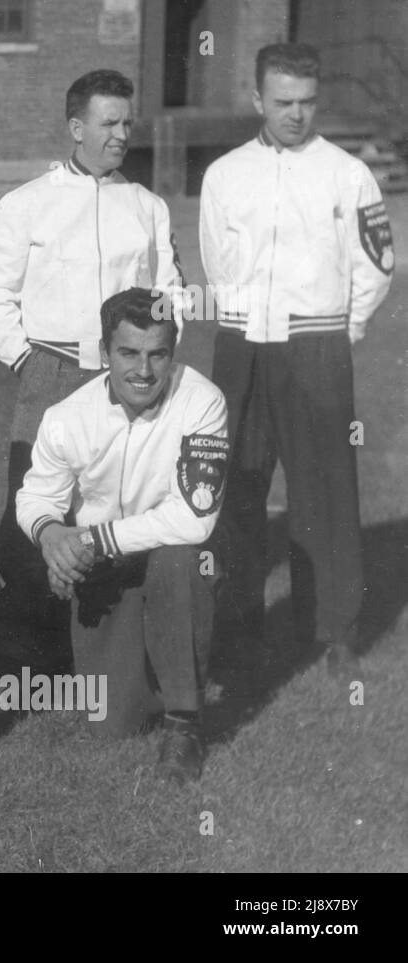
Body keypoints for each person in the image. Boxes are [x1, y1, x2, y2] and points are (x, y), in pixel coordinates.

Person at [200, 43, 394, 680]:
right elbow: (216, 263)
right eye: (283, 102)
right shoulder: (226, 173)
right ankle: (238, 624)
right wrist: (240, 320)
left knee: (326, 490)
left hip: (317, 347)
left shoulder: (347, 173)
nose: (296, 115)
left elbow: (376, 264)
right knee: (235, 486)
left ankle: (333, 629)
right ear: (258, 99)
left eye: (307, 103)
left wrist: (344, 329)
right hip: (240, 344)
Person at [0, 68, 184, 669]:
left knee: (118, 499)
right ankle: (27, 648)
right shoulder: (25, 205)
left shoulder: (147, 207)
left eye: (127, 123)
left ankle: (108, 644)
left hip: (125, 378)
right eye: (108, 123)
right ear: (76, 127)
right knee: (35, 503)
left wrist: (154, 359)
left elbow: (171, 296)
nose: (121, 134)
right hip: (51, 369)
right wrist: (30, 363)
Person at [17, 288, 228, 783]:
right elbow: (34, 498)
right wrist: (52, 537)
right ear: (104, 352)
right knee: (113, 723)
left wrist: (90, 539)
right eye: (128, 353)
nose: (144, 370)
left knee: (183, 556)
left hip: (168, 559)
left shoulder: (202, 401)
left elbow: (194, 518)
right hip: (105, 567)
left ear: (172, 354)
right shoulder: (67, 416)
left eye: (158, 354)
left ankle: (184, 722)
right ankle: (150, 666)